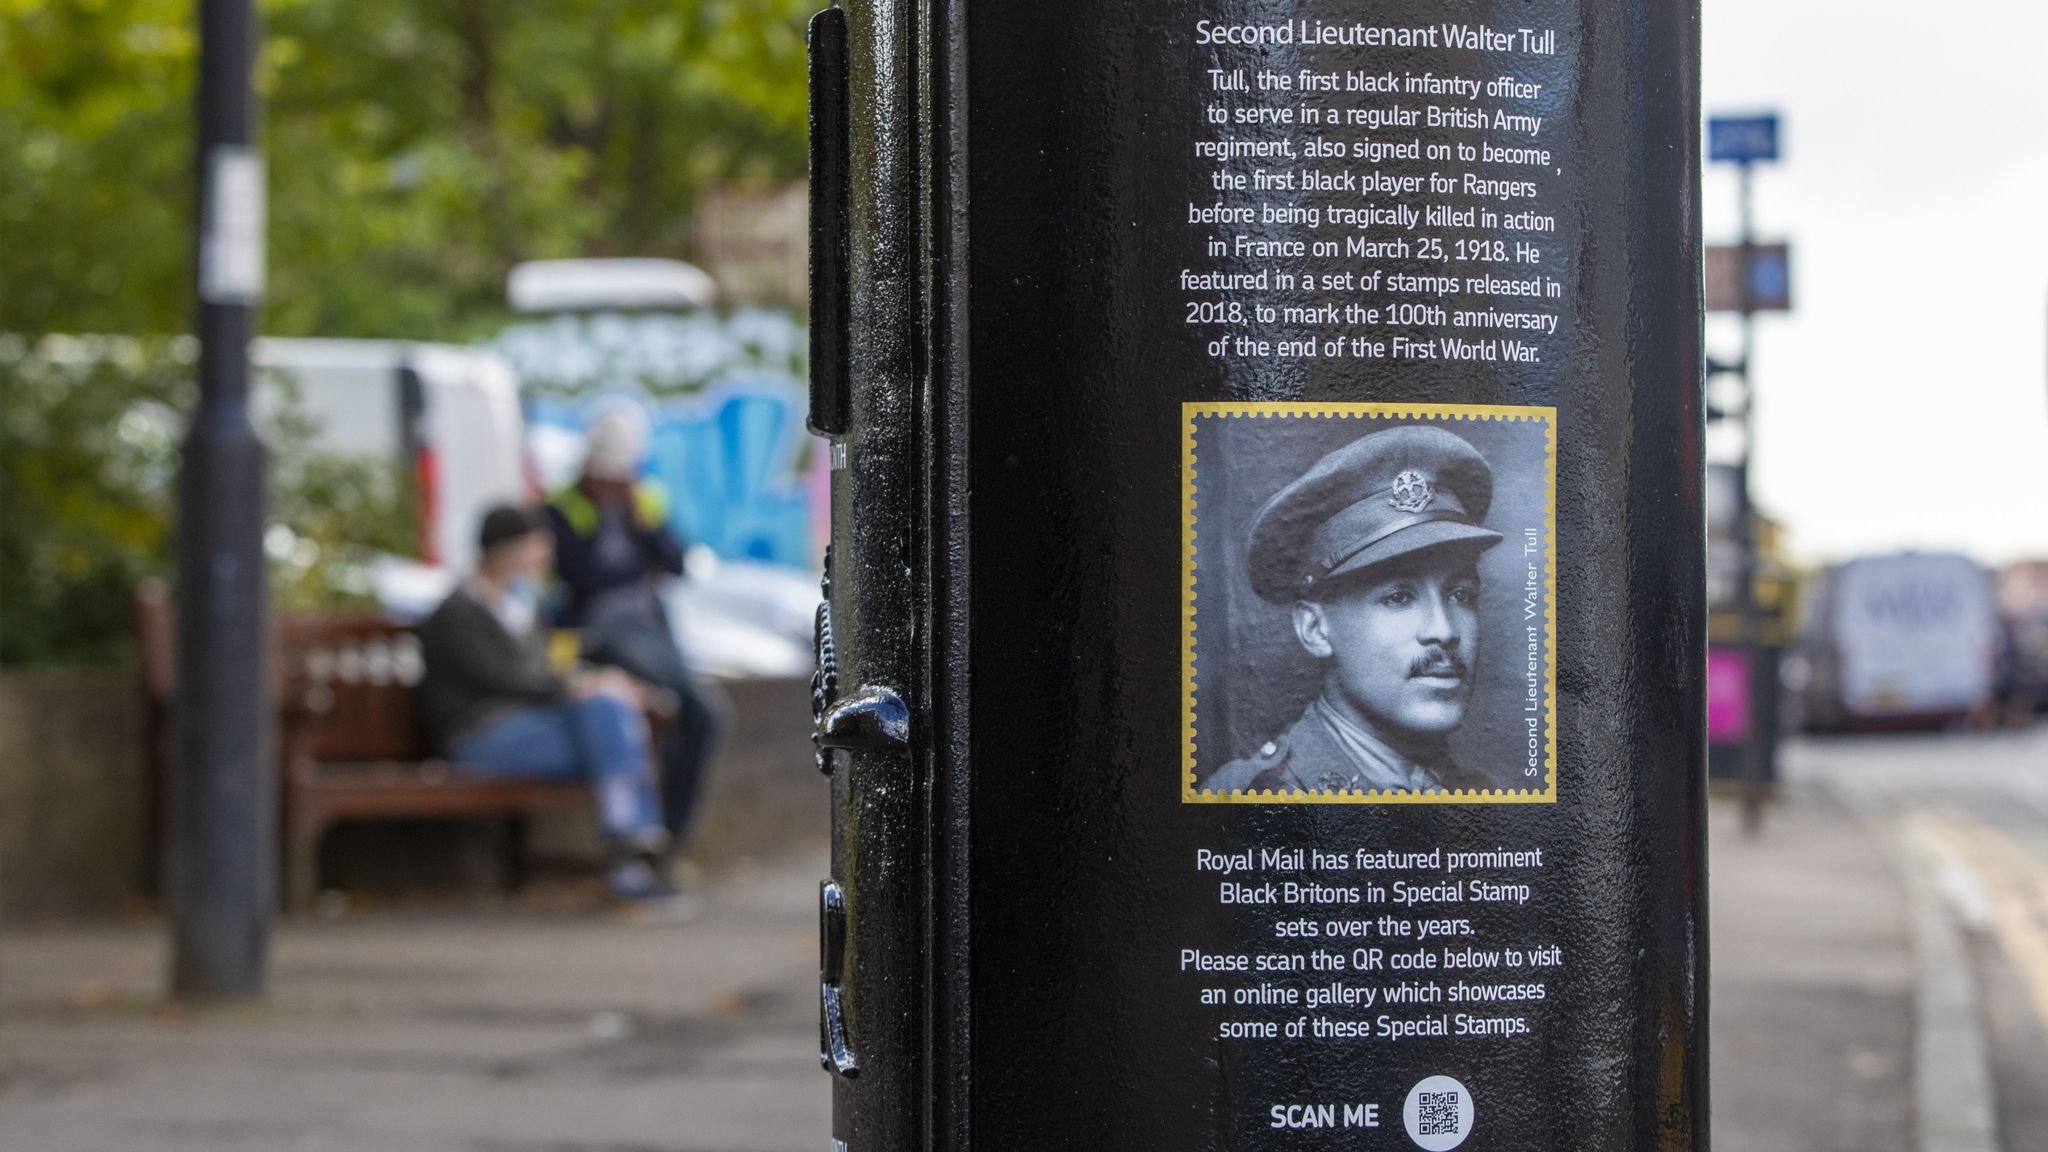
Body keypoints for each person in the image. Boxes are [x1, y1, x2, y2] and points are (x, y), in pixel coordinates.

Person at [1204, 426, 1505, 795]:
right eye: (1398, 597)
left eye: (1460, 594)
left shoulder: (1485, 794)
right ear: (1315, 629)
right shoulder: (1255, 796)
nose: (1444, 630)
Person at [416, 505, 673, 902]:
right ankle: (633, 848)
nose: (545, 557)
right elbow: (505, 679)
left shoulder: (523, 606)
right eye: (537, 546)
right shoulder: (459, 613)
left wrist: (591, 686)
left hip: (532, 726)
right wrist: (578, 687)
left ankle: (629, 846)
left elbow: (542, 675)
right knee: (611, 735)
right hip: (477, 735)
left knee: (607, 714)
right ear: (506, 550)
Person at [546, 404, 723, 849]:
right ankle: (649, 837)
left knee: (704, 715)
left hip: (651, 632)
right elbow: (578, 575)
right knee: (688, 710)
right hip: (599, 636)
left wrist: (645, 528)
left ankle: (671, 834)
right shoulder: (561, 508)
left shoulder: (644, 502)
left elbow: (676, 563)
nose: (613, 486)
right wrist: (638, 570)